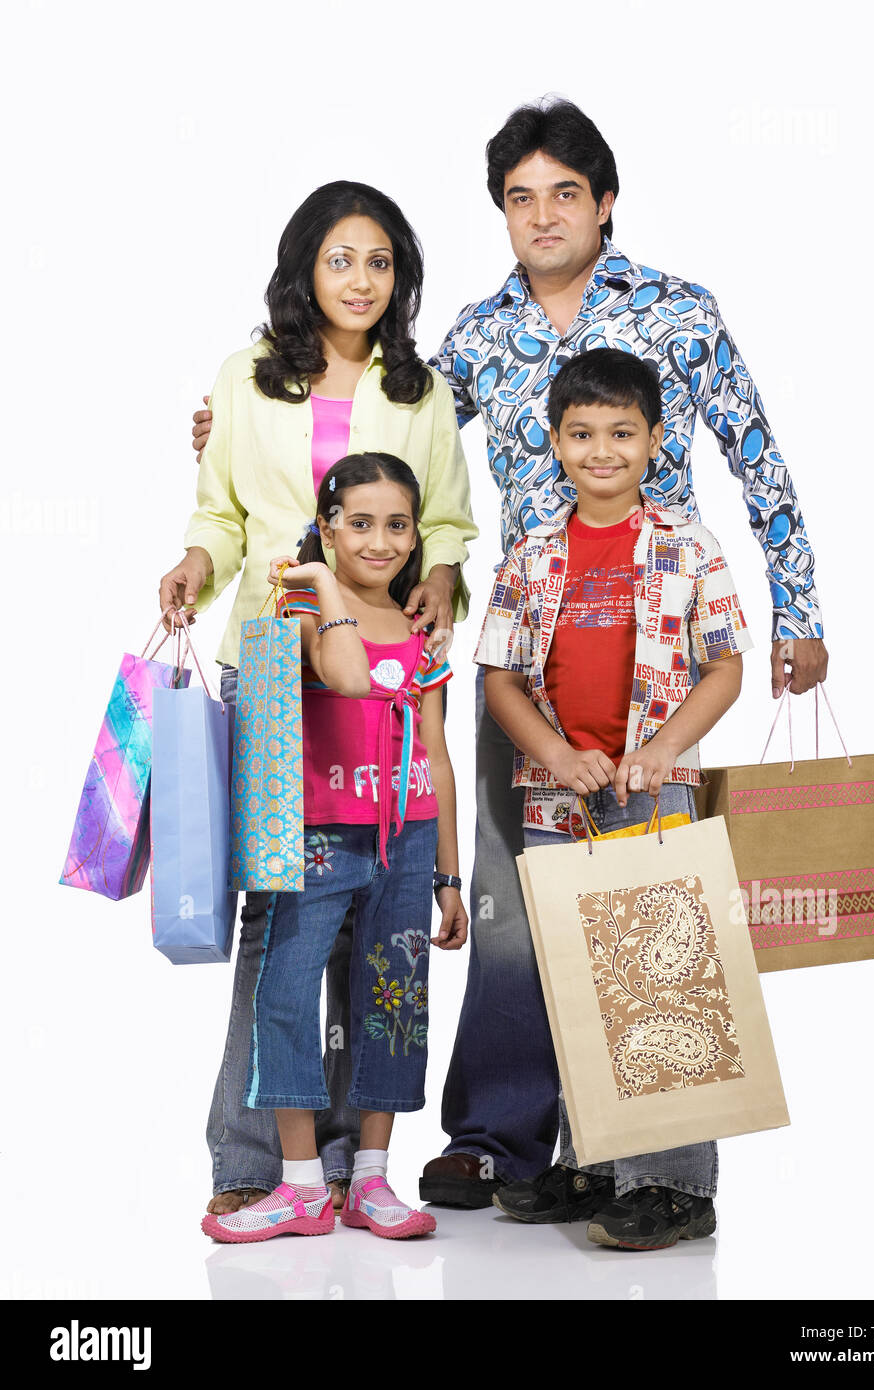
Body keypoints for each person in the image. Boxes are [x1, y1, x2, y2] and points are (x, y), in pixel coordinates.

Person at [191, 99, 828, 1208]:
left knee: (650, 904)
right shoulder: (479, 336)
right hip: (523, 651)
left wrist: (798, 611)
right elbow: (389, 448)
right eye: (520, 197)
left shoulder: (679, 312)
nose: (542, 216)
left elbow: (758, 456)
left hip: (660, 647)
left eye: (564, 193)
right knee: (507, 905)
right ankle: (501, 1137)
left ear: (606, 200)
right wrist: (242, 422)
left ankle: (653, 1165)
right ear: (502, 212)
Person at [160, 180, 477, 1218]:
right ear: (305, 269)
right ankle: (257, 1161)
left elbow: (449, 524)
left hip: (388, 665)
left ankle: (356, 1161)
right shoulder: (245, 380)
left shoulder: (421, 391)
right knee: (281, 922)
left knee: (379, 925)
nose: (359, 279)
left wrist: (437, 578)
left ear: (400, 279)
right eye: (340, 259)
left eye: (379, 261)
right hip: (276, 659)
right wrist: (192, 571)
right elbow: (220, 510)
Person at [475, 347, 750, 1249]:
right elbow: (503, 682)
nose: (602, 450)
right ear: (554, 442)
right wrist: (555, 754)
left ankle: (673, 1184)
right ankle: (595, 1162)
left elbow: (724, 667)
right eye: (582, 434)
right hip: (559, 803)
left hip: (656, 793)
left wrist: (663, 750)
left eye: (622, 433)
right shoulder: (533, 552)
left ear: (654, 441)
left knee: (664, 986)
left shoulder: (687, 545)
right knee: (576, 986)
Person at [201, 452, 468, 1244]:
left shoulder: (422, 629)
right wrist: (319, 582)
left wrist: (449, 874)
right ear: (327, 527)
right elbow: (347, 679)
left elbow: (438, 753)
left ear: (416, 532)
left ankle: (373, 1177)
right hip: (313, 840)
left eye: (396, 525)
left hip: (406, 838)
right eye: (357, 524)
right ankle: (299, 1185)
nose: (379, 542)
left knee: (392, 1004)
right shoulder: (304, 610)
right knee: (283, 994)